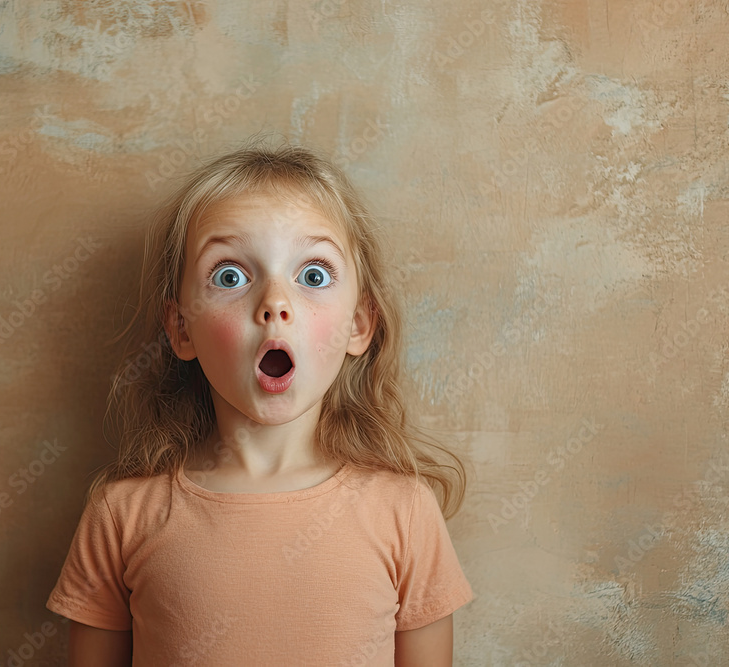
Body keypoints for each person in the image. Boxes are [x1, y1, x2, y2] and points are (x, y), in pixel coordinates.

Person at [45, 135, 473, 666]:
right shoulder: (121, 517)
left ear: (359, 324)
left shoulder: (405, 514)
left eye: (312, 275)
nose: (275, 304)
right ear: (181, 329)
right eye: (230, 276)